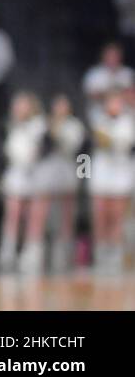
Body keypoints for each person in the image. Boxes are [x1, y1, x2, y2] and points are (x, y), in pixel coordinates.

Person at [28, 94, 85, 273]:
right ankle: (34, 254)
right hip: (46, 172)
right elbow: (36, 146)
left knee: (66, 215)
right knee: (39, 212)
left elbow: (73, 147)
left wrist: (58, 132)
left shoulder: (74, 126)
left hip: (66, 171)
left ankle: (62, 255)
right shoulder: (43, 123)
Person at [0, 91, 46, 273]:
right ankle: (8, 253)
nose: (19, 109)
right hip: (16, 175)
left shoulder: (39, 126)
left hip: (35, 176)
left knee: (33, 217)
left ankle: (31, 254)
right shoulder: (10, 126)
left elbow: (43, 149)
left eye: (23, 105)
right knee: (13, 213)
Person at [88, 89, 134, 275]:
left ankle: (115, 252)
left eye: (117, 102)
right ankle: (100, 252)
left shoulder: (128, 121)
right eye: (111, 102)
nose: (114, 106)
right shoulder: (97, 120)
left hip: (121, 172)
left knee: (117, 214)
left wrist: (112, 141)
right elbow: (85, 152)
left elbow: (127, 144)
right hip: (101, 172)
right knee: (100, 214)